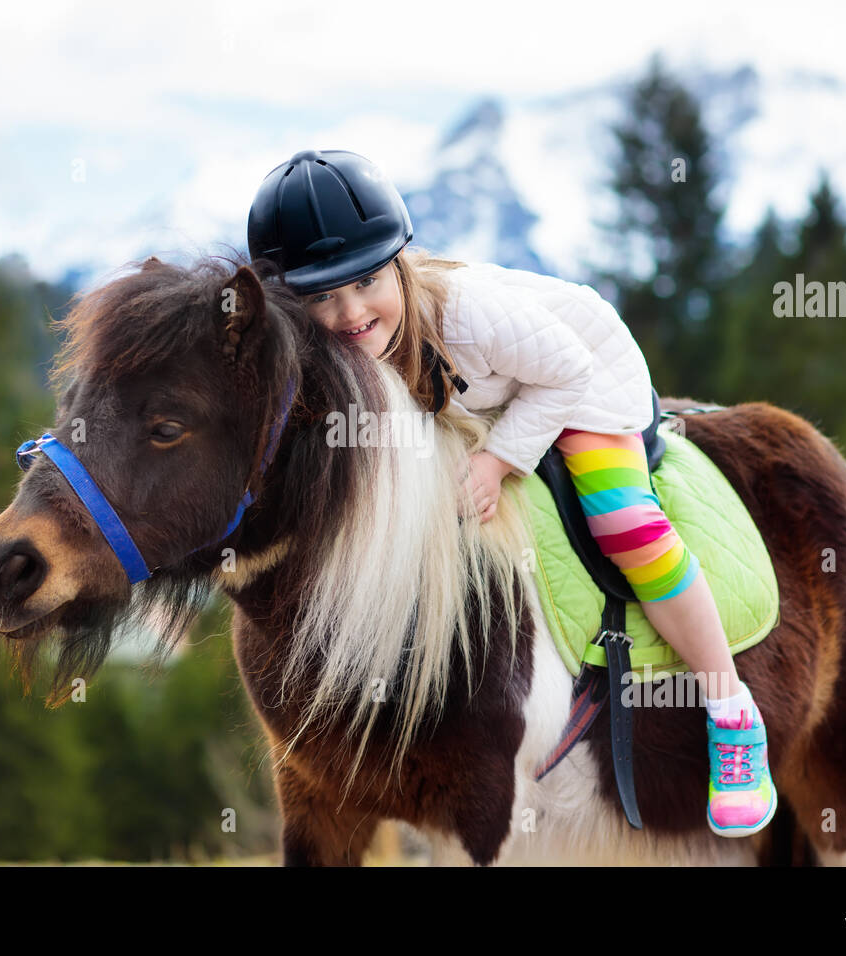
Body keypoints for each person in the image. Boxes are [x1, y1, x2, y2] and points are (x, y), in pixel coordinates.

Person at [247, 148, 776, 838]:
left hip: (580, 378)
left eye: (368, 280)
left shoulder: (470, 314)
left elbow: (566, 372)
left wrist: (498, 462)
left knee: (624, 524)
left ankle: (730, 710)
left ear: (399, 264)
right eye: (319, 296)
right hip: (494, 398)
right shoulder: (341, 349)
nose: (349, 312)